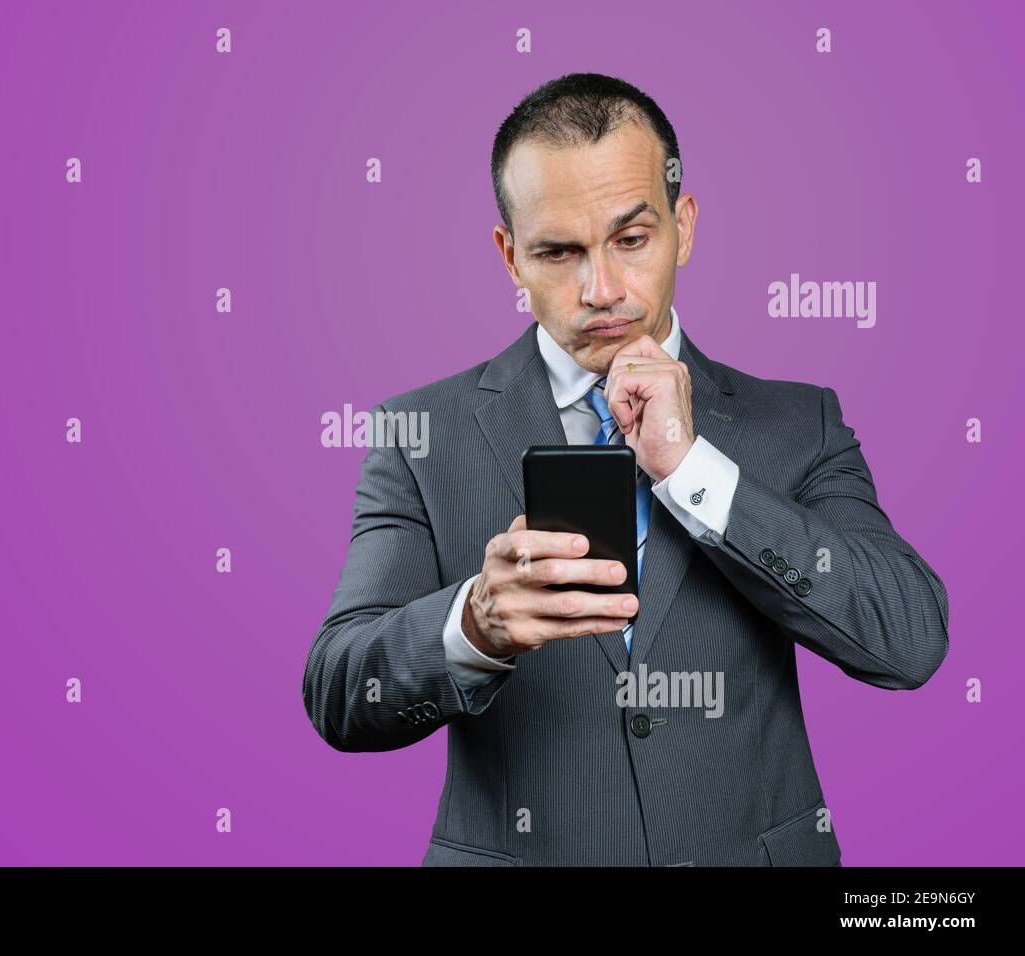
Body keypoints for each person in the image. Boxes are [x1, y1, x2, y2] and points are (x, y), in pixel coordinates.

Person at [302, 73, 948, 866]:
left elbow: (908, 642)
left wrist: (690, 468)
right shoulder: (421, 432)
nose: (601, 289)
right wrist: (474, 623)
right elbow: (340, 692)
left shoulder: (798, 422)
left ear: (684, 226)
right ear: (510, 257)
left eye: (631, 239)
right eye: (557, 251)